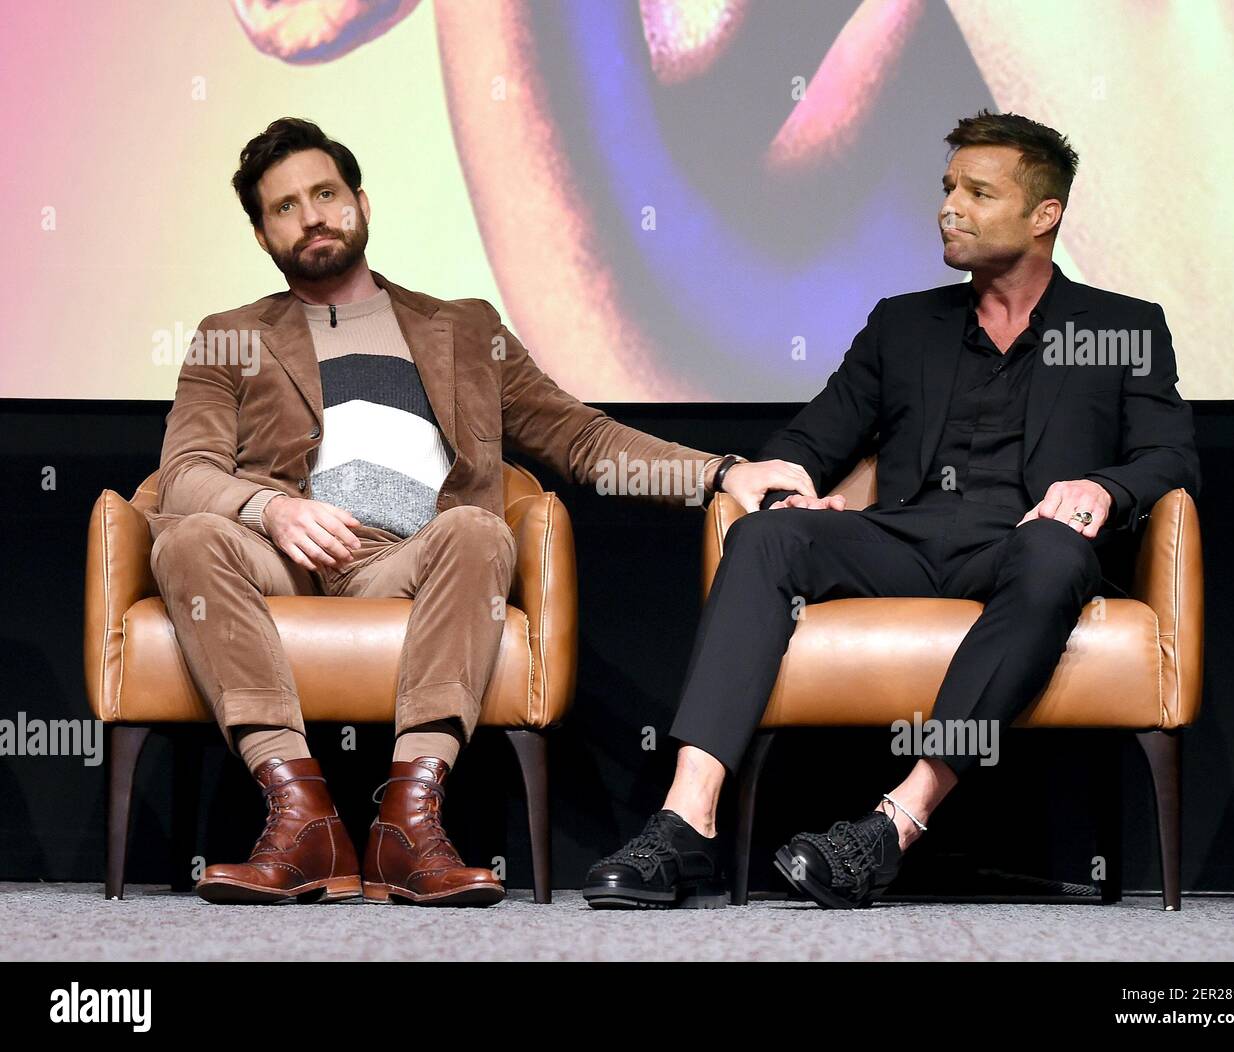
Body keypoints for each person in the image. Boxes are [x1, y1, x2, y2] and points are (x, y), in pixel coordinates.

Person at [147, 117, 810, 906]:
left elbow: (580, 437)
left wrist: (719, 472)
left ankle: (408, 823)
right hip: (280, 564)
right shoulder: (230, 338)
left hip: (410, 561)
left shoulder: (464, 329)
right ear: (262, 235)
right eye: (285, 207)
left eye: (325, 193)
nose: (312, 216)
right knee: (186, 539)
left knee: (476, 528)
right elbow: (184, 474)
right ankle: (302, 818)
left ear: (361, 203)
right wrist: (271, 510)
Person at [584, 110, 1200, 910]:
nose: (950, 208)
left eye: (978, 193)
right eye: (948, 188)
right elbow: (815, 437)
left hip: (1022, 546)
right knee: (768, 536)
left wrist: (1105, 489)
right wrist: (787, 479)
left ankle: (895, 822)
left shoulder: (1121, 327)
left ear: (1044, 215)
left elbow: (1170, 457)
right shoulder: (904, 324)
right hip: (905, 538)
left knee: (1055, 553)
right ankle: (685, 822)